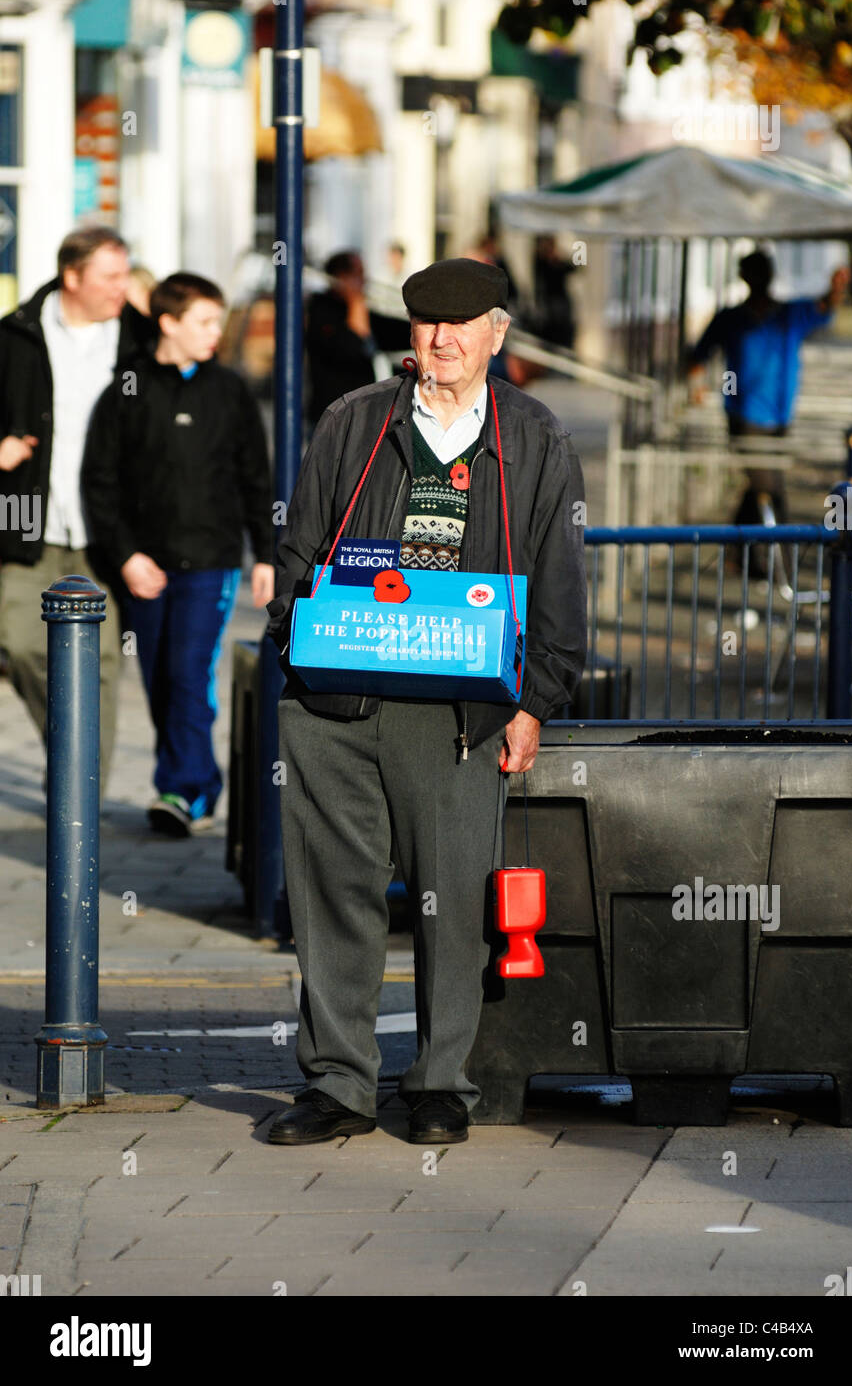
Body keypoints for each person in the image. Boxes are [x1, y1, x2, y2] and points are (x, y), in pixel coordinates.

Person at [265, 257, 586, 1147]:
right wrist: (298, 647)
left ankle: (440, 1082)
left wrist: (533, 704)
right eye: (422, 325)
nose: (439, 342)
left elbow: (560, 587)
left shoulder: (533, 438)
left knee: (454, 901)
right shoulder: (354, 420)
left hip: (459, 719)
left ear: (496, 332)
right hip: (336, 708)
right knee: (332, 897)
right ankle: (338, 1086)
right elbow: (298, 550)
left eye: (459, 325)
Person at [82, 272, 274, 836]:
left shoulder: (230, 390)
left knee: (189, 675)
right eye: (205, 321)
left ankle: (186, 790)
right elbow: (100, 482)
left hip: (210, 565)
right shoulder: (127, 387)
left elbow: (254, 478)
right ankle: (186, 784)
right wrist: (125, 557)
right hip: (145, 568)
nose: (217, 331)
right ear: (168, 322)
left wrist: (264, 553)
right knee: (160, 679)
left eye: (218, 320)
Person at [0, 226, 153, 789]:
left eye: (125, 273)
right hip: (24, 516)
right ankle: (69, 745)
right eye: (110, 276)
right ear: (73, 277)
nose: (123, 287)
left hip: (108, 530)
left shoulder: (139, 342)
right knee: (16, 642)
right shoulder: (15, 335)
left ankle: (80, 791)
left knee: (103, 664)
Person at [688, 250, 850, 529]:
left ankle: (737, 550)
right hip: (743, 415)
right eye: (753, 272)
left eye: (763, 272)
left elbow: (823, 307)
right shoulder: (732, 317)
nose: (759, 279)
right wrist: (697, 385)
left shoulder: (788, 314)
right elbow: (699, 355)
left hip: (780, 415)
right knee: (770, 488)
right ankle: (781, 560)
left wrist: (836, 289)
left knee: (760, 484)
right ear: (744, 277)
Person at [305, 250, 377, 423]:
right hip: (332, 412)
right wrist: (355, 302)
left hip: (362, 410)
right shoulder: (320, 310)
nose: (364, 280)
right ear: (340, 277)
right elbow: (350, 348)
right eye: (357, 274)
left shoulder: (363, 308)